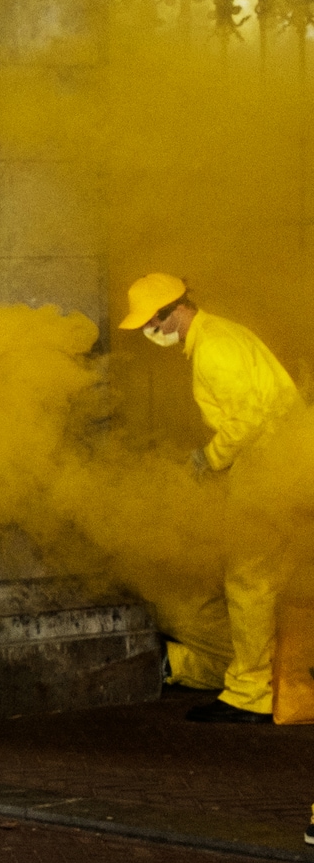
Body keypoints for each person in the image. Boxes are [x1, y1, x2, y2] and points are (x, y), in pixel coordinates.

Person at [120, 272, 301, 724]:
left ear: (173, 311)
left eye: (151, 323)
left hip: (268, 471)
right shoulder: (225, 334)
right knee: (277, 579)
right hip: (287, 466)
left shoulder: (214, 349)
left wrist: (207, 459)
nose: (149, 333)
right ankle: (264, 681)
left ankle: (250, 695)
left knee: (249, 582)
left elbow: (244, 423)